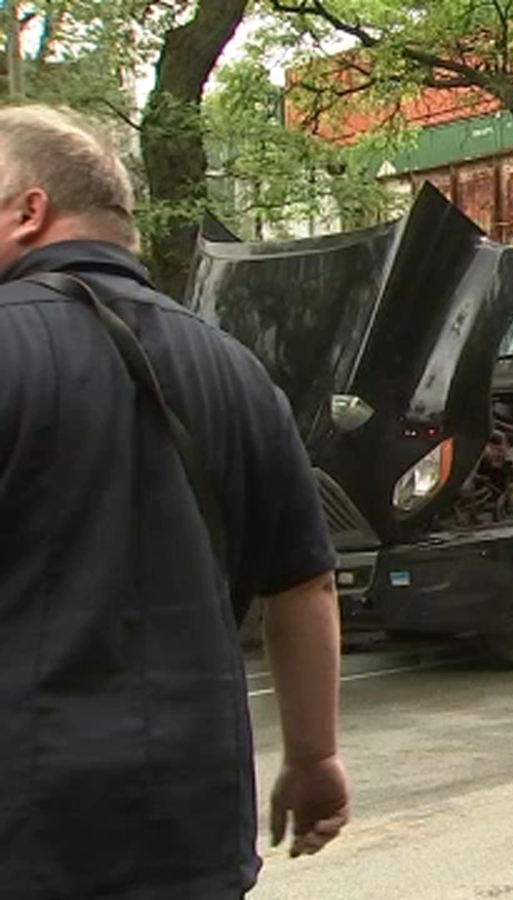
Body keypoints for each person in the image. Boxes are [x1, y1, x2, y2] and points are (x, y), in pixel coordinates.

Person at [0, 104, 350, 897]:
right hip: (188, 827)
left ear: (30, 211)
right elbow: (304, 584)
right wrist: (312, 757)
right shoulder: (235, 370)